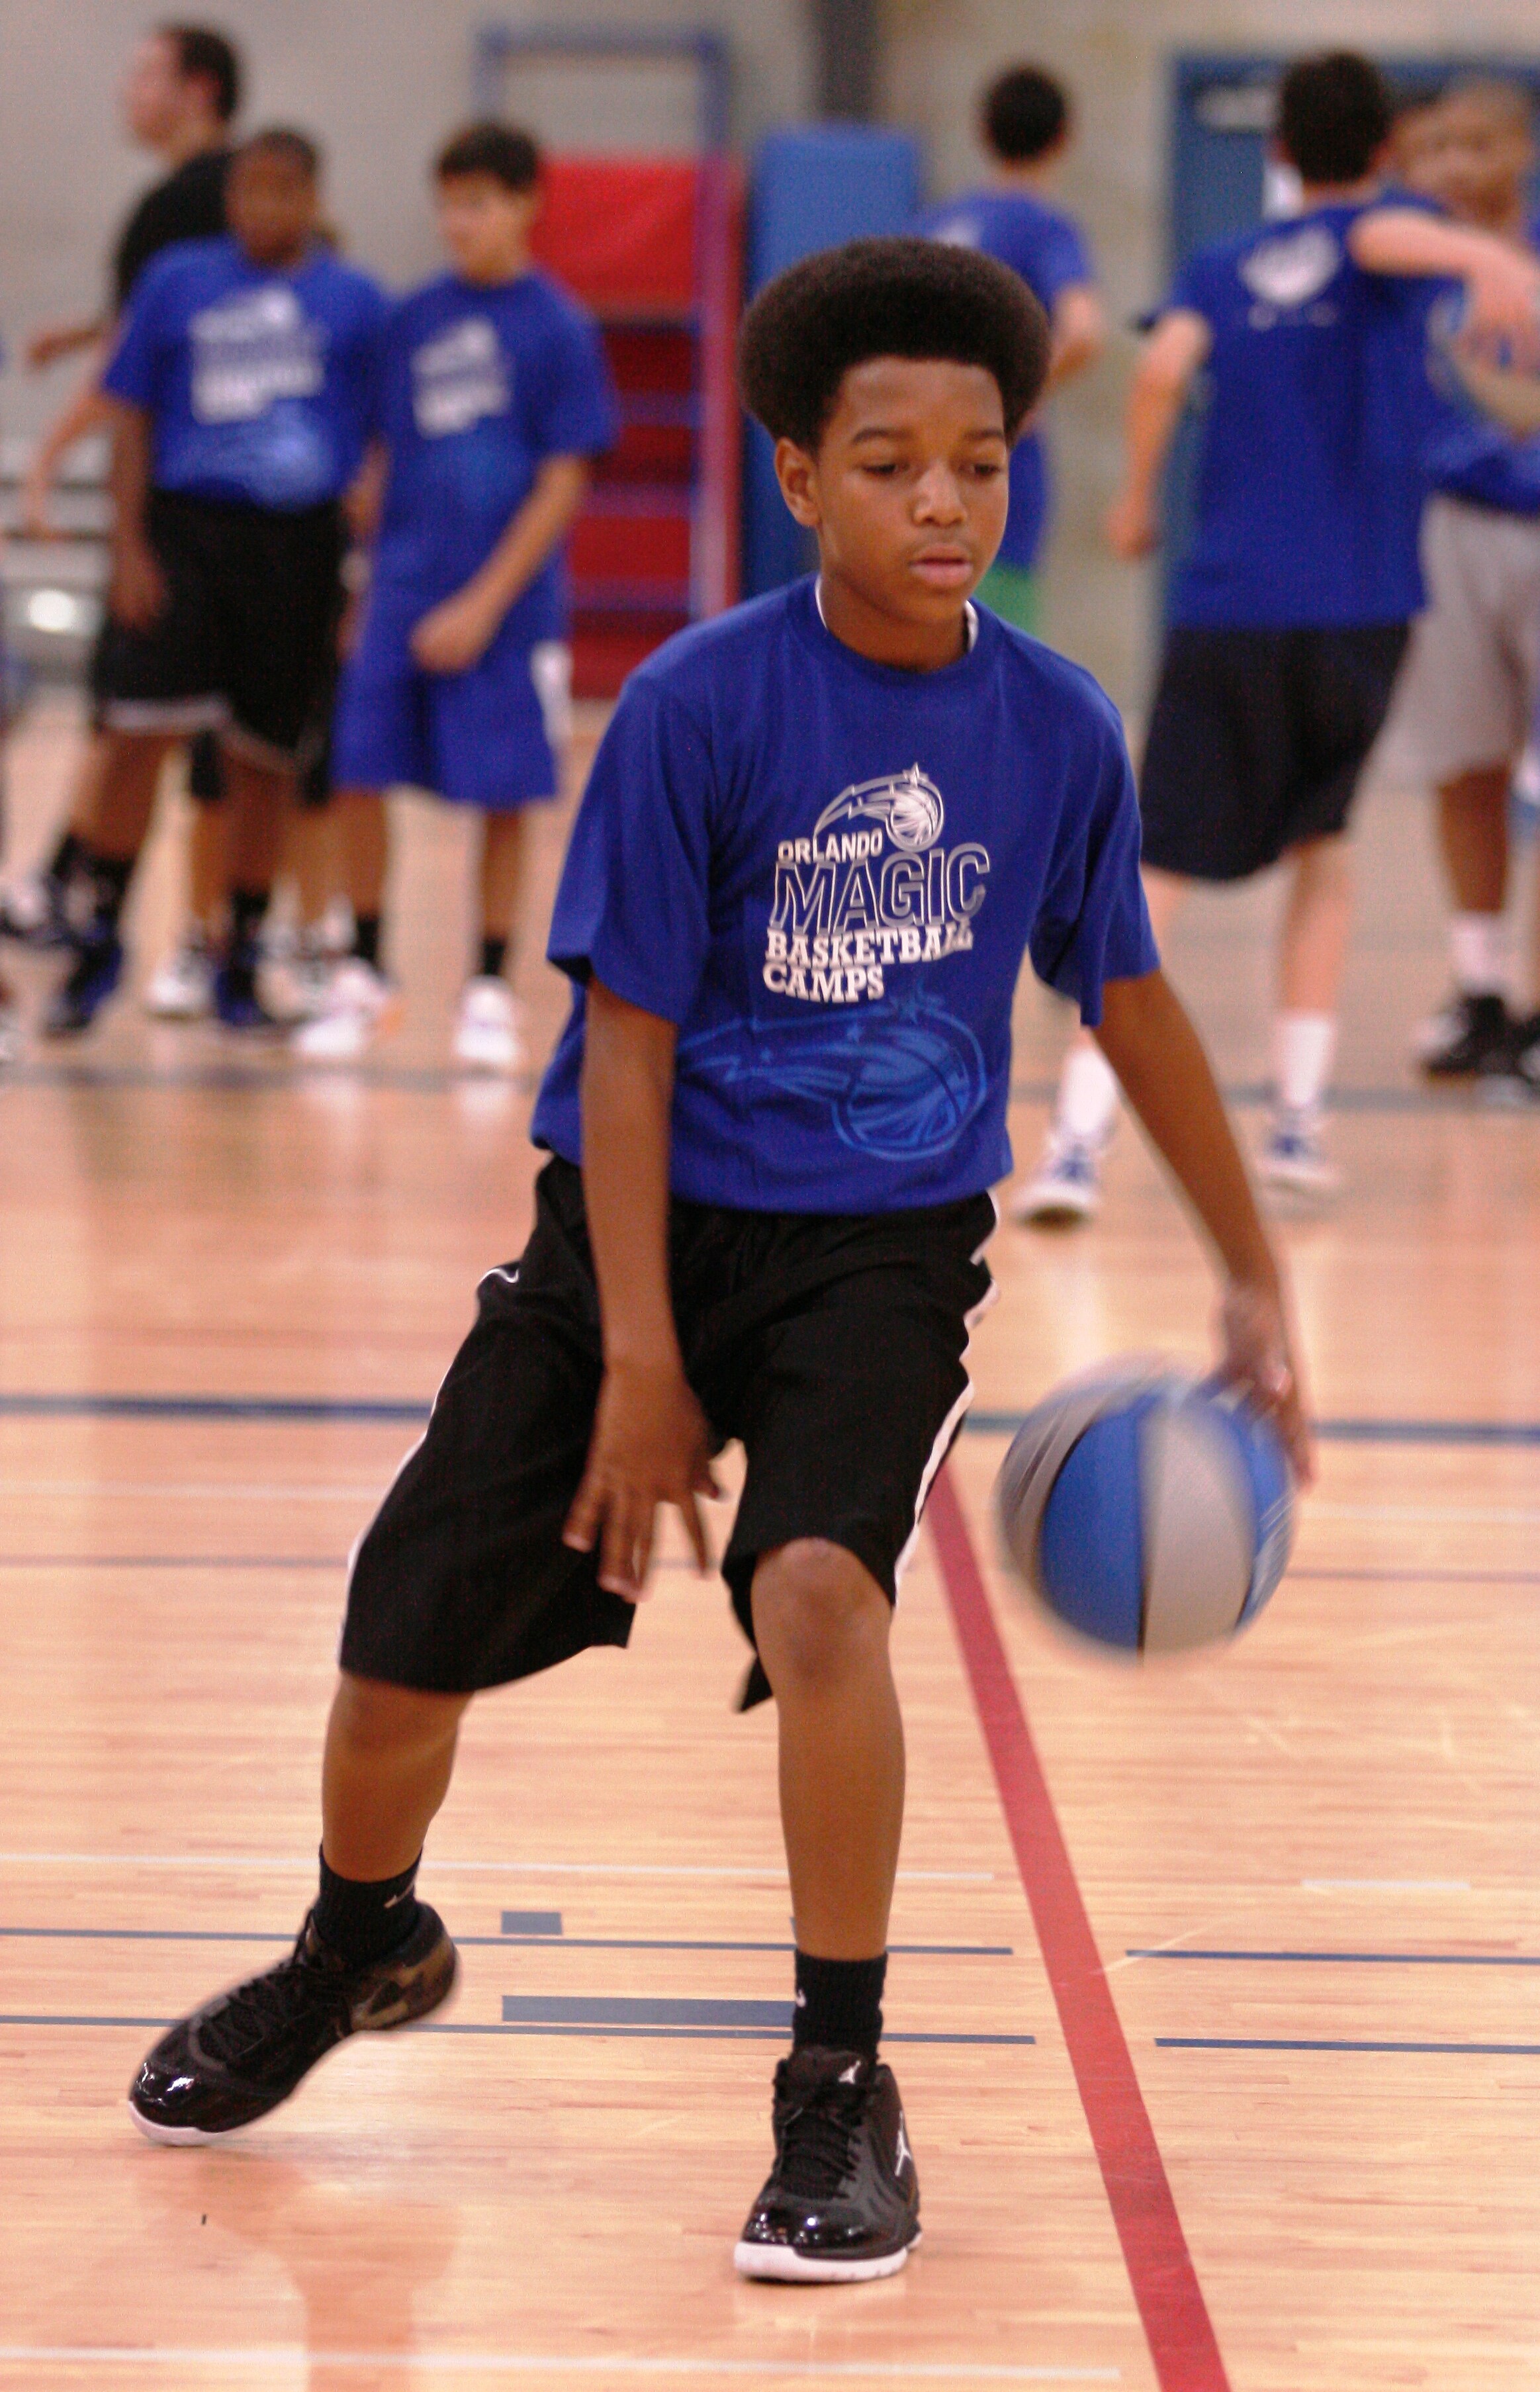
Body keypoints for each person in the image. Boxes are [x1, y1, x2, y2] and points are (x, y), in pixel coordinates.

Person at [124, 235, 1313, 2285]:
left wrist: (1250, 1273)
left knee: (822, 1590)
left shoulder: (1051, 724)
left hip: (878, 1253)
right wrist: (641, 1357)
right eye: (884, 464)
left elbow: (1120, 995)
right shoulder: (699, 705)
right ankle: (357, 1942)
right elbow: (635, 1050)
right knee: (400, 1632)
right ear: (793, 475)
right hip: (631, 1235)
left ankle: (838, 2080)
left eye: (978, 464)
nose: (940, 504)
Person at [1013, 52, 1540, 1224]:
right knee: (1324, 850)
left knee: (1154, 874)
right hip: (1361, 607)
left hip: (1230, 603)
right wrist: (1486, 255)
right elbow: (1383, 246)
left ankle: (1076, 1141)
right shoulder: (1397, 234)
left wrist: (1138, 495)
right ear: (1387, 155)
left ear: (1280, 153)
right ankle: (1298, 1120)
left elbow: (1159, 368)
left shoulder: (1219, 262)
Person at [40, 129, 387, 1036]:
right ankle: (100, 938)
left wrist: (368, 556)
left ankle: (237, 954)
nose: (259, 209)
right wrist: (127, 547)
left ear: (312, 200)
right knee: (132, 740)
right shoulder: (179, 280)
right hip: (185, 532)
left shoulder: (353, 301)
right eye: (246, 191)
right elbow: (130, 416)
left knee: (262, 762)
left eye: (280, 192)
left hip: (298, 547)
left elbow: (383, 437)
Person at [296, 121, 617, 1074]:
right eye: (447, 203)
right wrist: (362, 579)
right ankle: (362, 972)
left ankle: (484, 988)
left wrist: (482, 602)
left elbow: (564, 480)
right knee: (358, 773)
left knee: (503, 795)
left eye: (476, 203)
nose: (457, 222)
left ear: (524, 205)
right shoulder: (414, 319)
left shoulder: (555, 326)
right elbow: (381, 455)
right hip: (399, 586)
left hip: (504, 605)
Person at [0, 24, 240, 974]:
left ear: (198, 88)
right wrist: (83, 331)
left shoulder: (181, 203)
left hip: (180, 498)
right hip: (214, 500)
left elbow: (146, 354)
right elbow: (163, 320)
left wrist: (56, 459)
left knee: (142, 708)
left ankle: (106, 903)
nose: (126, 91)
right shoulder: (214, 203)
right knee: (156, 716)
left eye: (145, 73)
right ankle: (95, 892)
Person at [1375, 81, 1540, 1085]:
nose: (1452, 165)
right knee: (1464, 764)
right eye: (1433, 148)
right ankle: (1477, 991)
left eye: (1475, 143)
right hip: (1443, 528)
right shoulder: (1403, 270)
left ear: (1520, 150)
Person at [915, 64, 1105, 635]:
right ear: (1062, 138)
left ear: (982, 131)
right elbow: (1083, 330)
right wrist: (1005, 395)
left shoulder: (929, 226)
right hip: (992, 461)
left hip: (911, 461)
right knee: (993, 642)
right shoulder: (1044, 228)